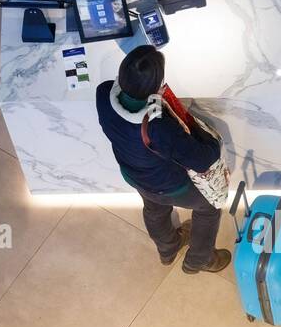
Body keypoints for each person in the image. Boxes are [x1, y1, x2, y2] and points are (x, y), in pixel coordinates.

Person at [96, 44, 231, 274]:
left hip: (132, 174)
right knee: (208, 209)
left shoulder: (103, 93)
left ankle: (168, 250)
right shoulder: (157, 127)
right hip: (169, 185)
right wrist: (212, 143)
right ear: (156, 86)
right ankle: (199, 259)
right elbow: (201, 160)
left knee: (154, 209)